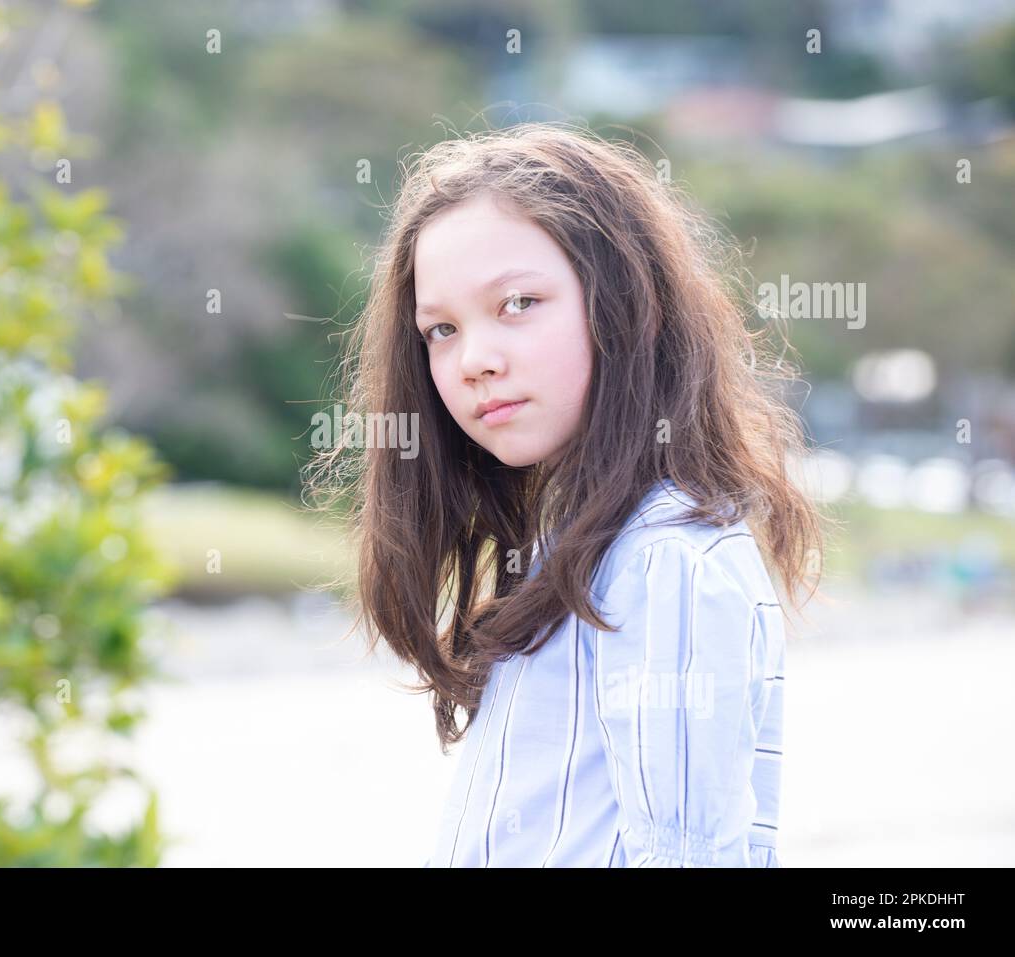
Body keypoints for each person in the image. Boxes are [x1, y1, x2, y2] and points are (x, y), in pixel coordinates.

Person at [306, 122, 826, 867]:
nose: (475, 359)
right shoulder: (576, 550)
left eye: (518, 302)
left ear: (627, 301)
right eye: (441, 329)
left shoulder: (667, 562)